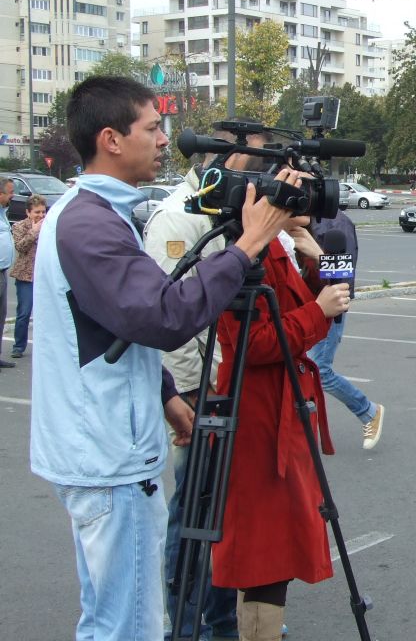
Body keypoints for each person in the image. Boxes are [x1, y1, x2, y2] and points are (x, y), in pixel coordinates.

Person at [28, 75, 297, 641]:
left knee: (117, 615)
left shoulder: (94, 214)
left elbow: (110, 327)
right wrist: (248, 244)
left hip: (109, 447)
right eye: (152, 128)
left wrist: (167, 397)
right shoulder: (88, 222)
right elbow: (162, 317)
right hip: (106, 458)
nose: (164, 140)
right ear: (112, 139)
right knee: (125, 625)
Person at [143, 125, 275, 640]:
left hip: (236, 378)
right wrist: (189, 393)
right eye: (258, 160)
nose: (264, 171)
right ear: (226, 156)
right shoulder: (176, 214)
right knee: (193, 509)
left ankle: (222, 619)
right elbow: (168, 312)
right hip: (201, 387)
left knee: (230, 507)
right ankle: (185, 622)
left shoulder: (248, 208)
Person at [212, 212, 350, 641]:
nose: (310, 192)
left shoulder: (290, 242)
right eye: (297, 182)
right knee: (262, 549)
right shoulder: (251, 249)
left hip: (287, 408)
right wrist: (315, 311)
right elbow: (253, 344)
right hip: (260, 415)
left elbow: (343, 297)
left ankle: (256, 628)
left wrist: (322, 256)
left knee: (277, 546)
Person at [309, 209, 385, 449]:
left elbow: (341, 276)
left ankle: (368, 411)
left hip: (326, 310)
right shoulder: (296, 219)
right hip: (302, 308)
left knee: (320, 372)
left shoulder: (336, 224)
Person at [10, 194, 46, 358]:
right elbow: (21, 247)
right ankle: (18, 346)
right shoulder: (19, 226)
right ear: (28, 212)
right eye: (37, 212)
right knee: (24, 312)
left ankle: (44, 346)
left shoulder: (49, 226)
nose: (40, 216)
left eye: (43, 212)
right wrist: (34, 231)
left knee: (45, 313)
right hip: (25, 276)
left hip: (43, 276)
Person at [0, 176, 15, 368]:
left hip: (3, 271)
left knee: (1, 316)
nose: (13, 196)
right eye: (10, 192)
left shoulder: (3, 212)